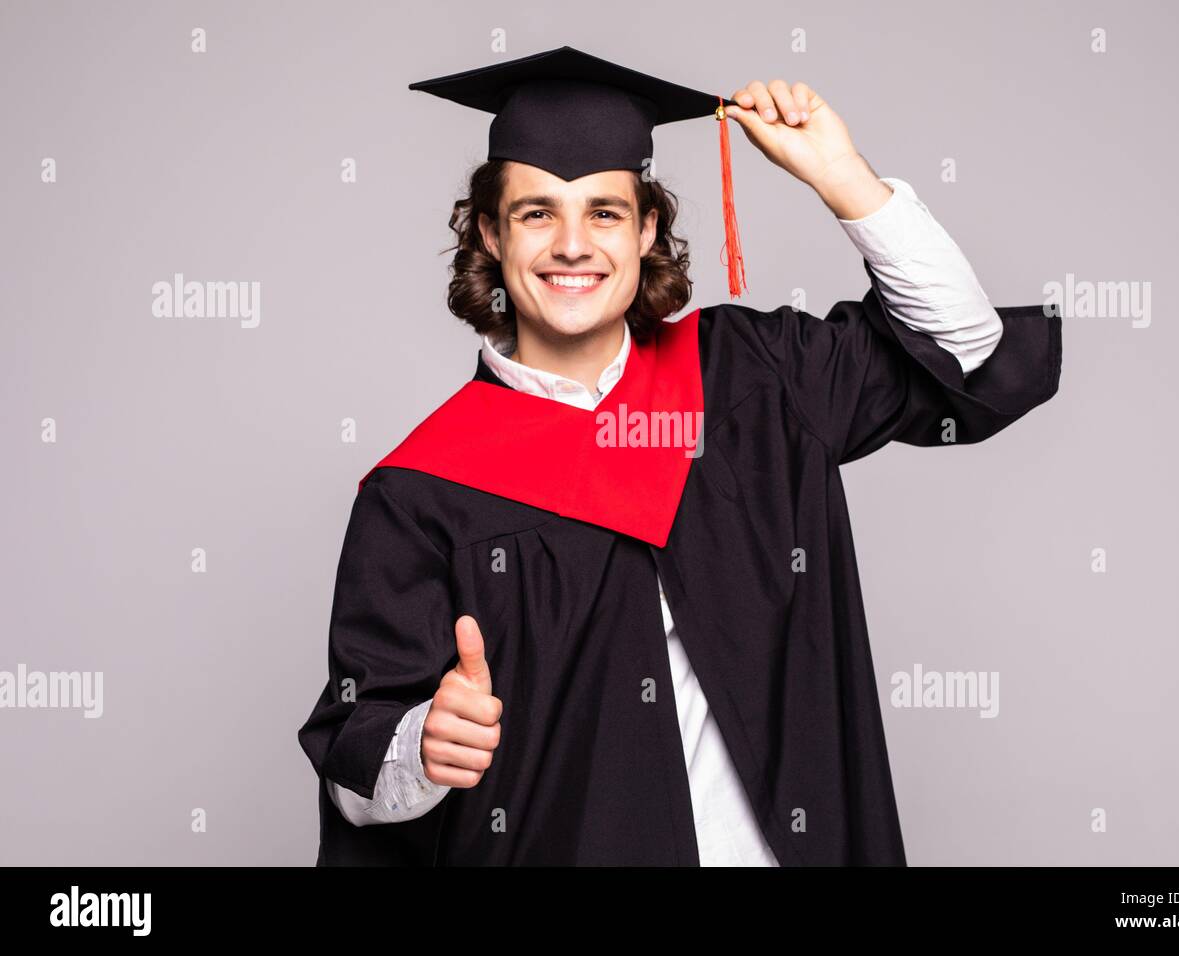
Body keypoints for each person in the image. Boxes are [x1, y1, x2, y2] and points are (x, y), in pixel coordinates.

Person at [298, 46, 1062, 865]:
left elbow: (969, 350)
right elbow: (355, 756)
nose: (571, 244)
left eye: (603, 212)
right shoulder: (424, 489)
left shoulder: (754, 379)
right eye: (535, 213)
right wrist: (422, 746)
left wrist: (846, 180)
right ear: (490, 231)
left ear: (647, 228)